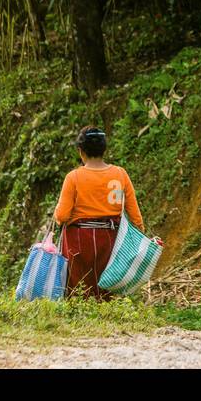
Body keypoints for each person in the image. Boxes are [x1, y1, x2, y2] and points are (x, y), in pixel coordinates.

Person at [54, 126, 144, 301]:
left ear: (81, 151)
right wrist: (140, 233)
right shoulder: (120, 174)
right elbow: (134, 213)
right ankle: (106, 312)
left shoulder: (73, 177)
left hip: (79, 239)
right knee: (105, 284)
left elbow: (63, 216)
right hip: (111, 239)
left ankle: (79, 314)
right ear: (104, 149)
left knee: (78, 287)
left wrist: (57, 215)